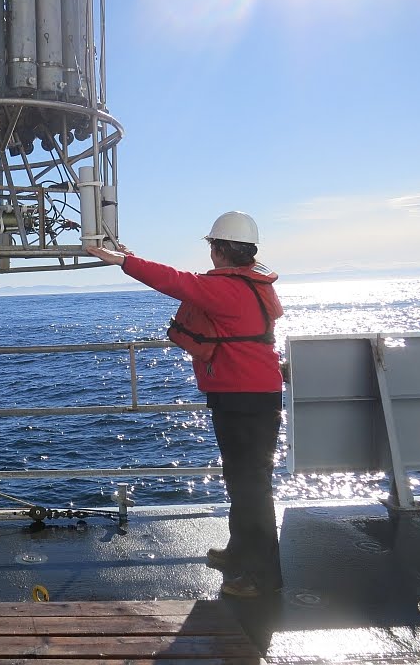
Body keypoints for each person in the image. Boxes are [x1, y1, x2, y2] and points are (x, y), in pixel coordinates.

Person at [86, 211, 284, 599]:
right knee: (242, 481)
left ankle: (263, 578)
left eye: (212, 245)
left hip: (244, 398)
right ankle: (240, 552)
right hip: (251, 395)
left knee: (251, 487)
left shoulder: (227, 289)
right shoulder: (253, 283)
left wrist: (125, 261)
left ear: (222, 250)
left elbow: (175, 281)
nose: (210, 253)